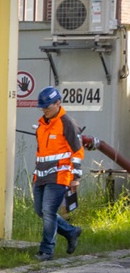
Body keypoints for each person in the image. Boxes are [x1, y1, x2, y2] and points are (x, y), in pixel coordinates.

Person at [32, 86, 83, 262]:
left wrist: (75, 179)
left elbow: (77, 152)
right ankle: (71, 232)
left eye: (47, 106)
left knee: (48, 211)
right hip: (41, 177)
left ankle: (46, 250)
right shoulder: (41, 125)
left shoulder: (67, 123)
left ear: (58, 103)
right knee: (40, 210)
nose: (45, 110)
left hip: (60, 176)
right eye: (42, 107)